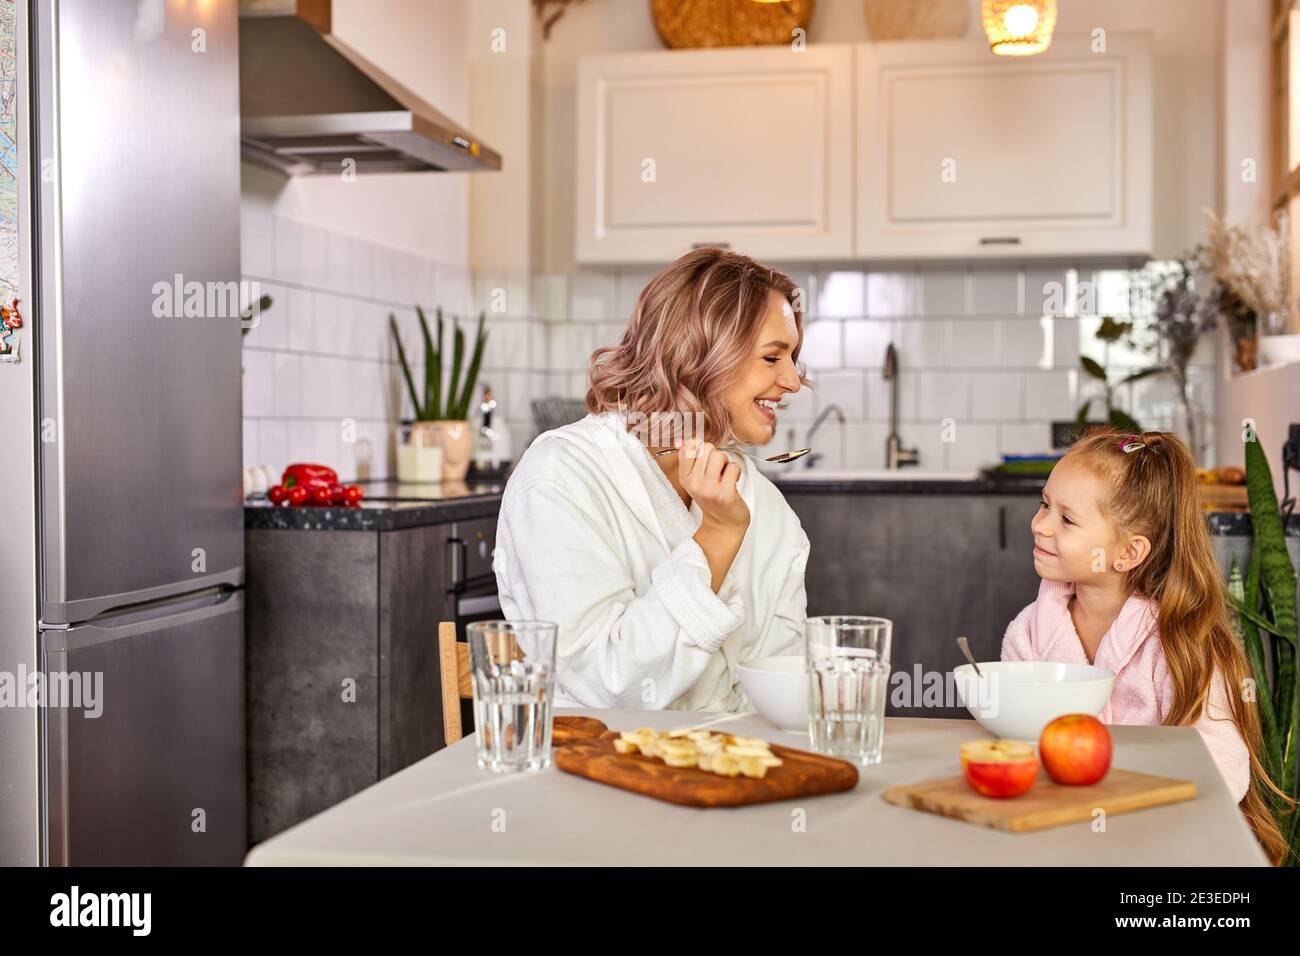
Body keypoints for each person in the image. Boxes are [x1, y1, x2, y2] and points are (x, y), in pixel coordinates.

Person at [493, 247, 812, 712]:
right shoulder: (562, 476)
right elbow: (610, 682)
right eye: (771, 357)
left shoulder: (760, 500)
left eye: (793, 357)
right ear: (699, 354)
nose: (793, 381)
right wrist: (717, 536)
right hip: (595, 772)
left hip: (736, 772)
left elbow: (783, 679)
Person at [1002, 429, 1289, 861]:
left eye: (1067, 519)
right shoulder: (1029, 632)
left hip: (1167, 845)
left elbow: (1220, 766)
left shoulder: (1182, 643)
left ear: (1128, 552)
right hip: (1059, 838)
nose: (1038, 524)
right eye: (1045, 504)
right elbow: (1017, 743)